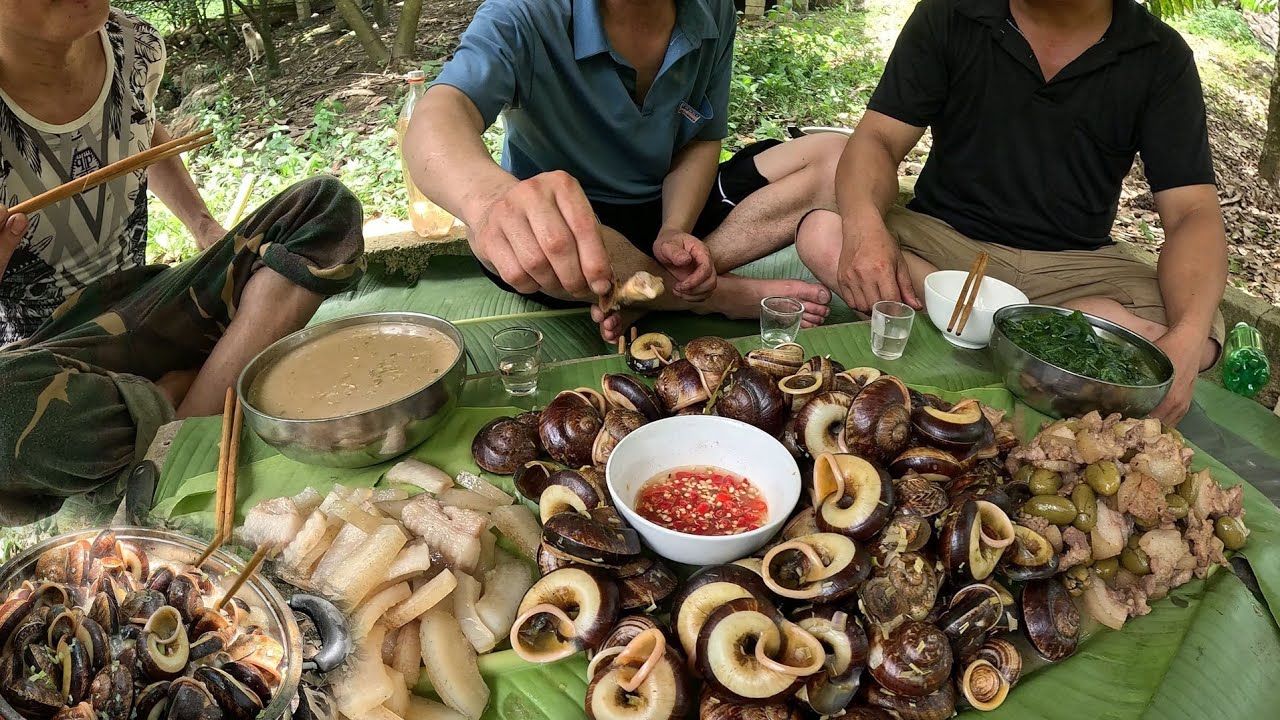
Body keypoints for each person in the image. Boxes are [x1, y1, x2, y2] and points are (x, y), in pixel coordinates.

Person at [0, 3, 365, 524]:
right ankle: (197, 388)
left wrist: (204, 228)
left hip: (143, 305)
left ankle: (180, 423)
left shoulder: (132, 43)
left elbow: (144, 132)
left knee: (322, 208)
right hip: (45, 356)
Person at [796, 0, 1226, 425]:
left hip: (1074, 268)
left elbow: (1192, 211)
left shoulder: (1158, 54)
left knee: (1200, 328)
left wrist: (1186, 338)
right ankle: (1038, 345)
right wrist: (865, 226)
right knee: (827, 232)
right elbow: (878, 139)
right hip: (942, 244)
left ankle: (974, 326)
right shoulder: (951, 12)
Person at [405, 0, 846, 342]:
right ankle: (711, 295)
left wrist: (675, 229)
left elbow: (702, 139)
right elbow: (443, 110)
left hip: (671, 210)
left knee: (837, 160)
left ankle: (649, 291)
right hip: (578, 235)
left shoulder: (712, 9)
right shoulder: (522, 14)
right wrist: (490, 201)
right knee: (512, 239)